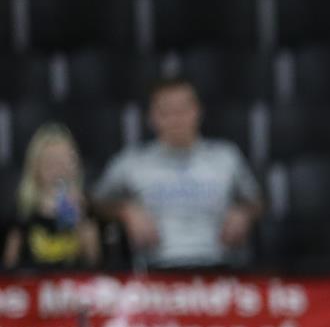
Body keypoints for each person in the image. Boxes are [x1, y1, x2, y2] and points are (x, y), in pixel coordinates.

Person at [93, 77, 263, 269]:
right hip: (156, 269)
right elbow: (96, 203)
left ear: (198, 111)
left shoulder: (226, 156)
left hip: (220, 267)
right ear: (152, 118)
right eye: (166, 112)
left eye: (183, 110)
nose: (176, 119)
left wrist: (244, 212)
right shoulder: (131, 161)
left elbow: (257, 202)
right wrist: (125, 211)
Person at [5, 124, 101, 272]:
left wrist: (80, 220)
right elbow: (9, 269)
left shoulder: (86, 207)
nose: (58, 170)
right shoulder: (22, 211)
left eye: (63, 162)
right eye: (50, 163)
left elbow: (95, 263)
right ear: (36, 169)